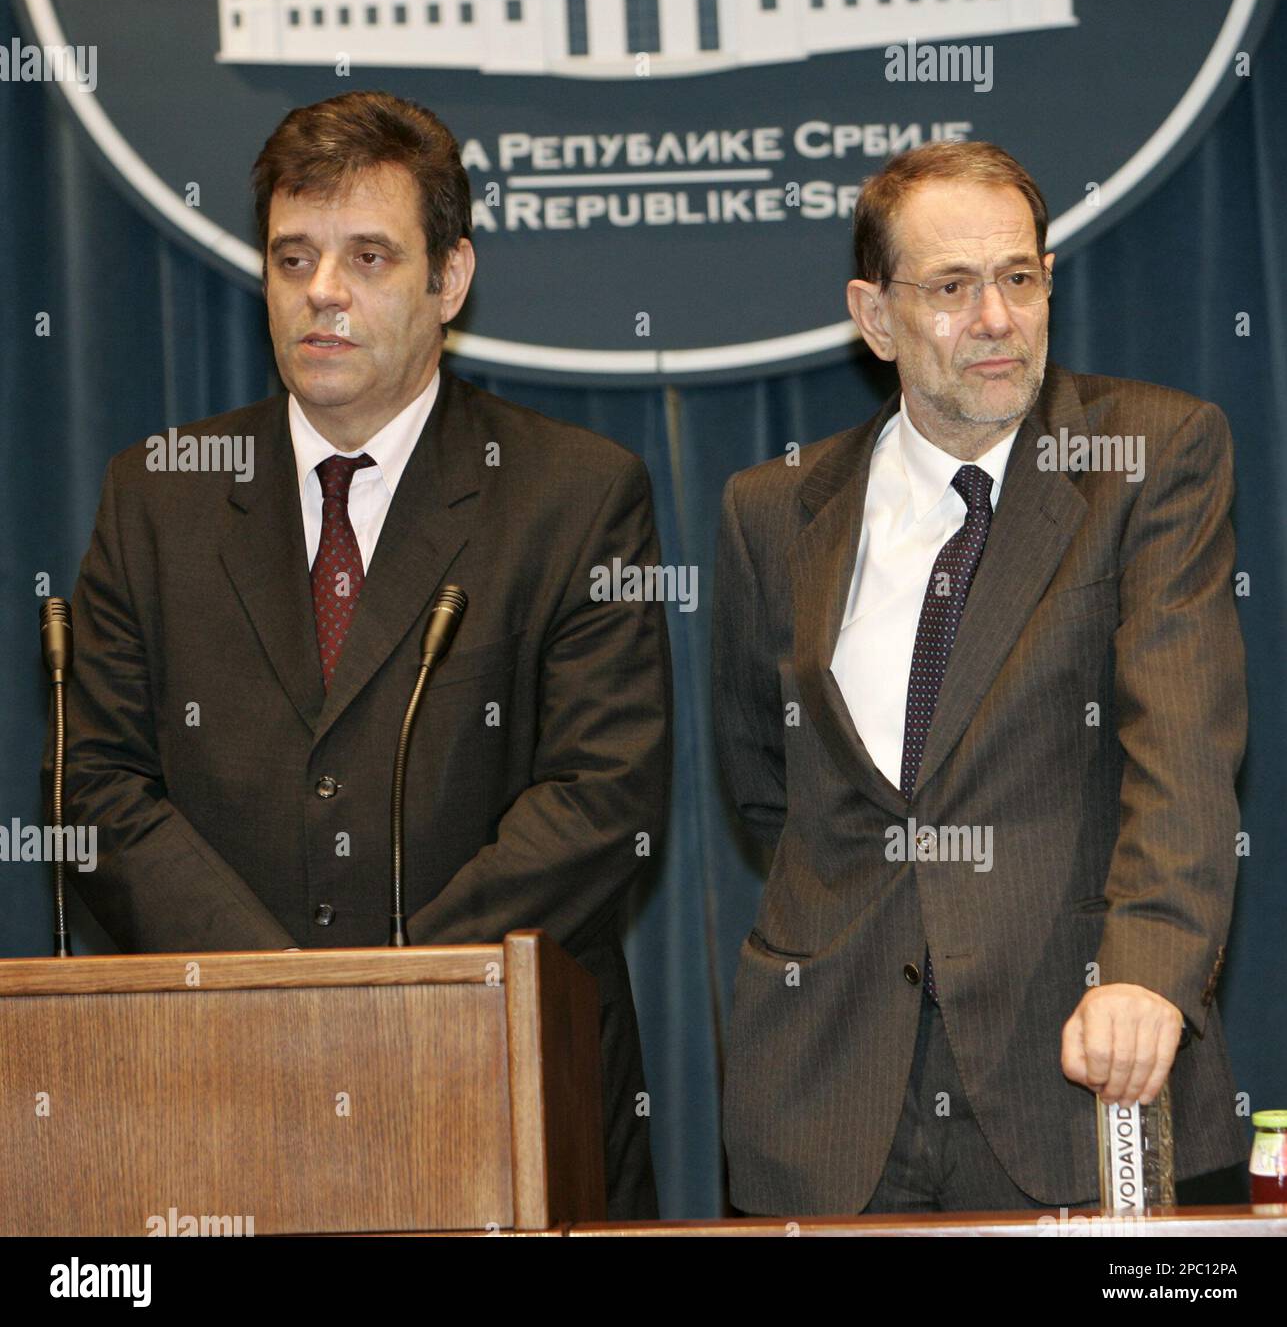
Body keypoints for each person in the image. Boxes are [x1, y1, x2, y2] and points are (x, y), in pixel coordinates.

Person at [50, 91, 671, 1221]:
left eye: (368, 257)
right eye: (293, 258)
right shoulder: (158, 494)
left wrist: (393, 993)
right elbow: (94, 788)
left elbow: (602, 796)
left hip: (494, 1078)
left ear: (450, 278)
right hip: (215, 1084)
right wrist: (276, 996)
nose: (322, 291)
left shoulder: (574, 495)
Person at [714, 140, 1246, 1214]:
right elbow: (766, 785)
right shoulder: (772, 508)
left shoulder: (1147, 455)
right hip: (827, 1098)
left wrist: (1146, 970)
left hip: (1078, 1065)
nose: (996, 318)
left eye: (1018, 278)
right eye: (951, 288)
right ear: (874, 317)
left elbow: (1183, 748)